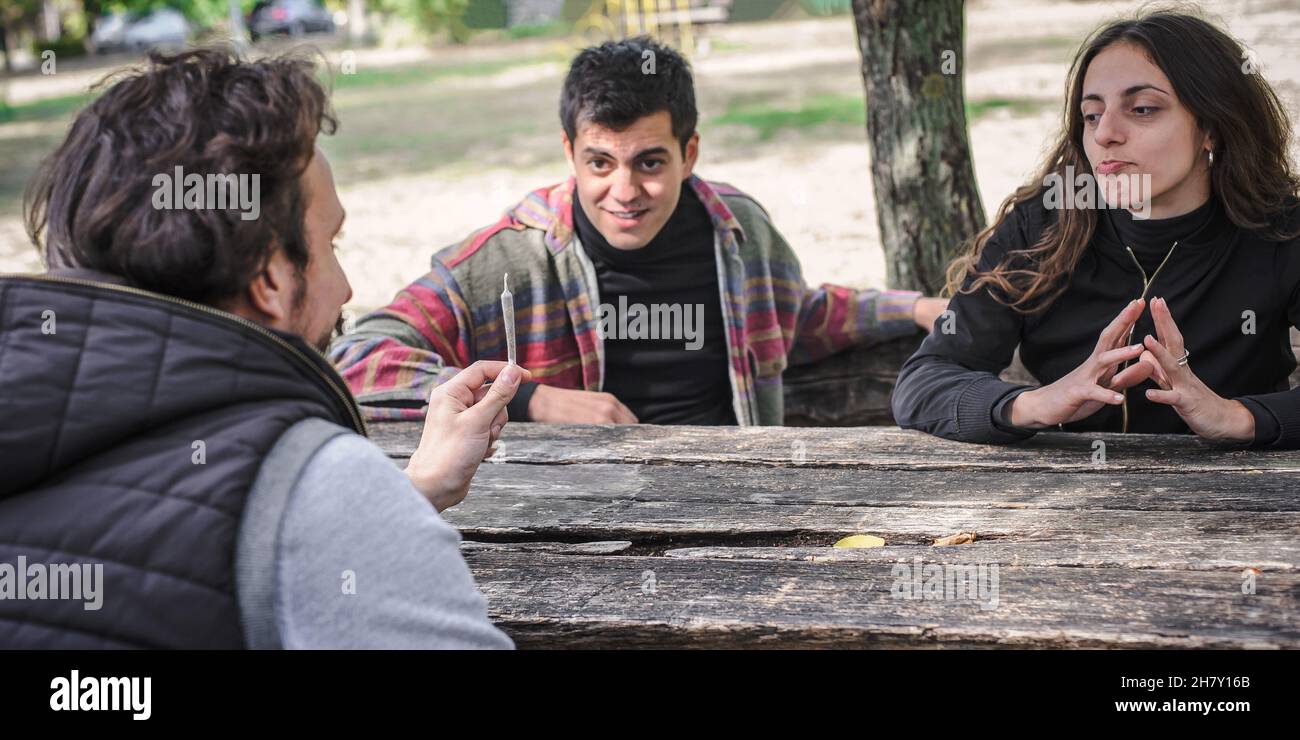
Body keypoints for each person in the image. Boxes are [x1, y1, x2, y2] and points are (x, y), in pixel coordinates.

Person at [0, 49, 524, 648]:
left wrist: (413, 491)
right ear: (271, 278)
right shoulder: (324, 494)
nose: (348, 287)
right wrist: (360, 509)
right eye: (331, 242)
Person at [330, 36, 947, 426]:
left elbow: (798, 316)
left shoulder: (738, 232)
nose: (624, 192)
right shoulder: (509, 261)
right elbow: (356, 358)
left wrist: (916, 308)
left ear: (690, 151)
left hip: (739, 491)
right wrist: (531, 401)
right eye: (600, 163)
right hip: (572, 521)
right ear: (569, 152)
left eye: (649, 162)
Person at [892, 10, 1300, 448]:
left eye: (1142, 109)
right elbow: (923, 382)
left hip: (1243, 501)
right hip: (1066, 500)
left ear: (1212, 128)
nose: (1105, 133)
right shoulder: (1042, 226)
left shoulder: (1280, 231)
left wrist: (1237, 418)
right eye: (1090, 115)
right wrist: (1036, 404)